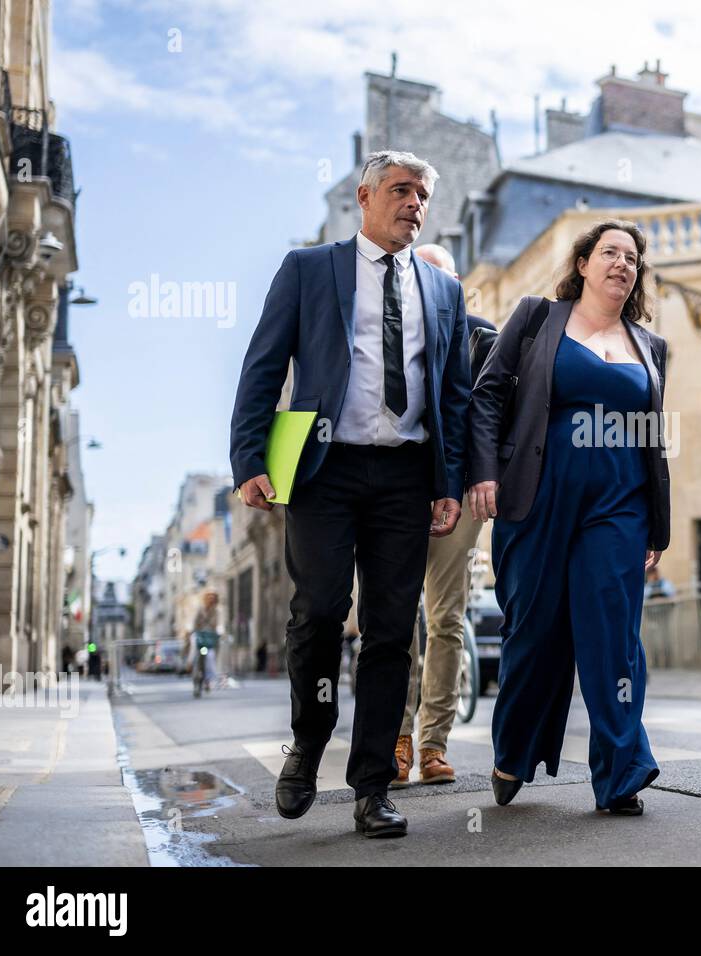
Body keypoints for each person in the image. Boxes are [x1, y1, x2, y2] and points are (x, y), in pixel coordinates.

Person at [229, 149, 470, 838]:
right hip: (323, 471)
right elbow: (263, 365)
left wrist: (446, 482)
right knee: (319, 612)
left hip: (403, 475)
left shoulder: (443, 291)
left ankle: (372, 786)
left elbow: (452, 396)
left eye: (423, 196)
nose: (413, 205)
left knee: (393, 629)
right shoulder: (309, 270)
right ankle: (307, 743)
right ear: (364, 198)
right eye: (400, 190)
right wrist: (249, 456)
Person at [468, 218, 670, 816]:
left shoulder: (650, 346)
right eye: (609, 252)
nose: (622, 264)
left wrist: (656, 524)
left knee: (614, 635)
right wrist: (482, 472)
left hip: (619, 503)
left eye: (632, 257)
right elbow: (488, 395)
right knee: (536, 632)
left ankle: (621, 772)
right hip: (537, 496)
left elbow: (652, 438)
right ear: (583, 263)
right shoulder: (536, 318)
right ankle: (514, 750)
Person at [389, 242, 495, 787]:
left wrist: (482, 478)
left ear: (456, 283)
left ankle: (433, 745)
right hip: (394, 491)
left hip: (458, 492)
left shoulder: (483, 336)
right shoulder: (390, 332)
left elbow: (494, 416)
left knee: (446, 618)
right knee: (394, 621)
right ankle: (398, 741)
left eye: (439, 276)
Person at [189, 591, 222, 691]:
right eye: (209, 598)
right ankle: (190, 665)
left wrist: (220, 632)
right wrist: (194, 631)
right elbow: (195, 622)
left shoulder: (217, 611)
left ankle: (207, 680)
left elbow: (219, 624)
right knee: (194, 653)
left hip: (209, 639)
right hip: (200, 637)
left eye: (213, 598)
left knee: (210, 658)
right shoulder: (200, 609)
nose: (211, 600)